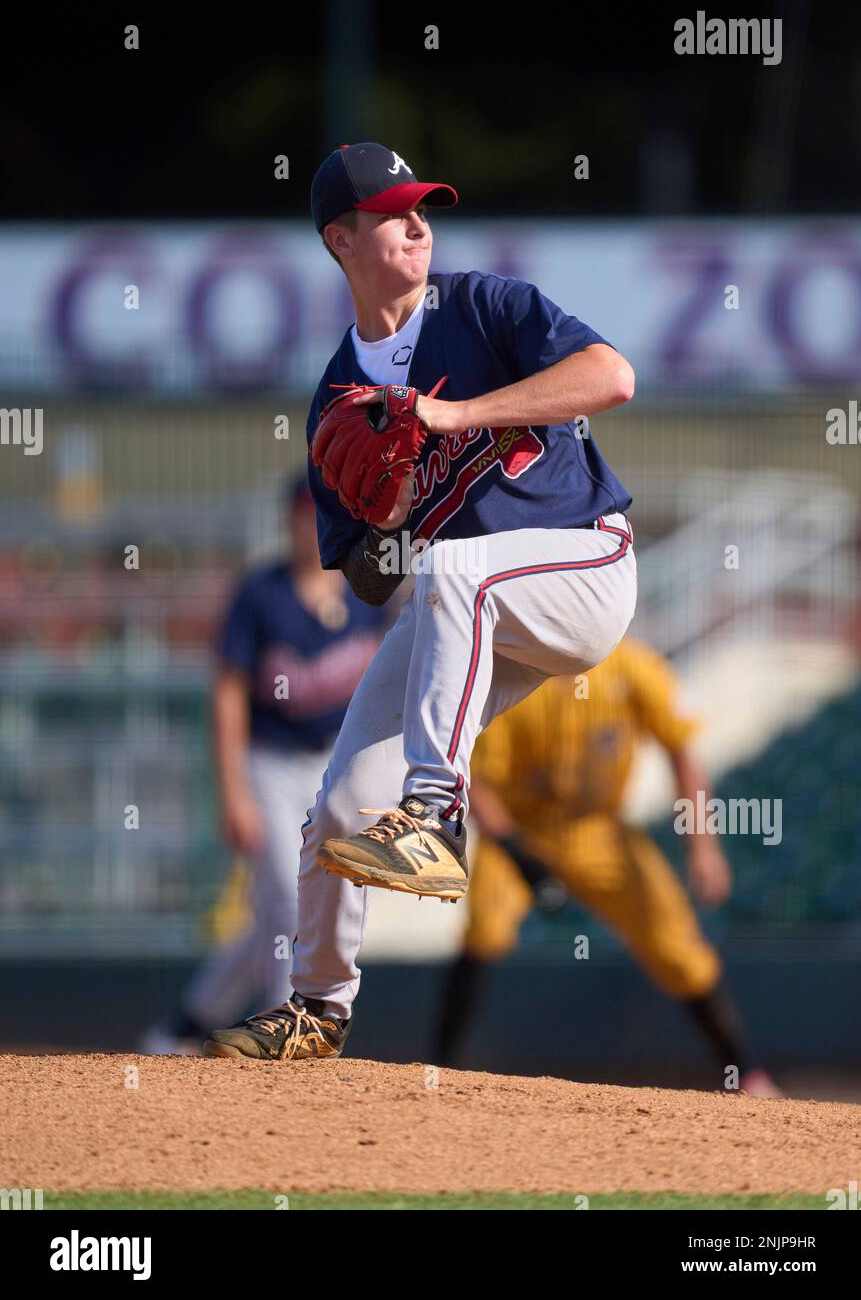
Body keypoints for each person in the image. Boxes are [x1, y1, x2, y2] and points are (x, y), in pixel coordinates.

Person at [205, 141, 637, 1062]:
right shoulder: (337, 397)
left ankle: (436, 815)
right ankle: (318, 1006)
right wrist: (391, 517)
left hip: (585, 569)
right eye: (393, 211)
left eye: (423, 207)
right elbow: (365, 577)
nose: (416, 222)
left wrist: (449, 415)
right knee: (337, 805)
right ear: (339, 239)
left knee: (456, 570)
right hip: (469, 609)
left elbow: (612, 377)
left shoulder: (485, 305)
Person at [431, 637, 782, 1096]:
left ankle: (745, 1072)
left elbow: (681, 747)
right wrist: (522, 859)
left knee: (676, 943)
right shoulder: (515, 675)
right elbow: (476, 784)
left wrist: (703, 846)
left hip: (601, 832)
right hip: (523, 832)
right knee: (484, 931)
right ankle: (438, 1069)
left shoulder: (632, 665)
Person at [141, 473, 384, 1052]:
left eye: (326, 512)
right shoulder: (261, 593)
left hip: (333, 766)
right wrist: (233, 792)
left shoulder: (361, 593)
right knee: (288, 896)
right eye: (307, 513)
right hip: (269, 765)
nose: (315, 524)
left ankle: (190, 1022)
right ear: (290, 520)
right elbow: (227, 692)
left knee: (279, 915)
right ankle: (285, 1025)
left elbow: (381, 686)